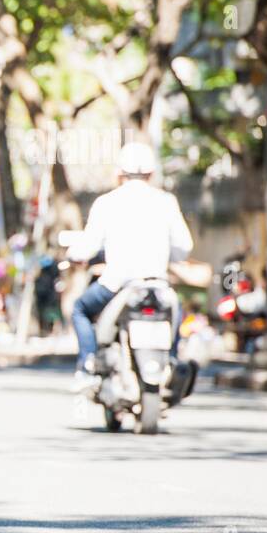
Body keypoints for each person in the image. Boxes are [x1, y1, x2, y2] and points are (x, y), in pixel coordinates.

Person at [67, 142, 193, 390]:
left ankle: (88, 364)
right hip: (158, 285)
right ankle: (173, 360)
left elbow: (87, 246)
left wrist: (74, 255)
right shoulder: (166, 201)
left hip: (117, 283)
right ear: (151, 173)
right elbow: (183, 247)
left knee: (79, 308)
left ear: (119, 174)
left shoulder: (107, 202)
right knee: (175, 313)